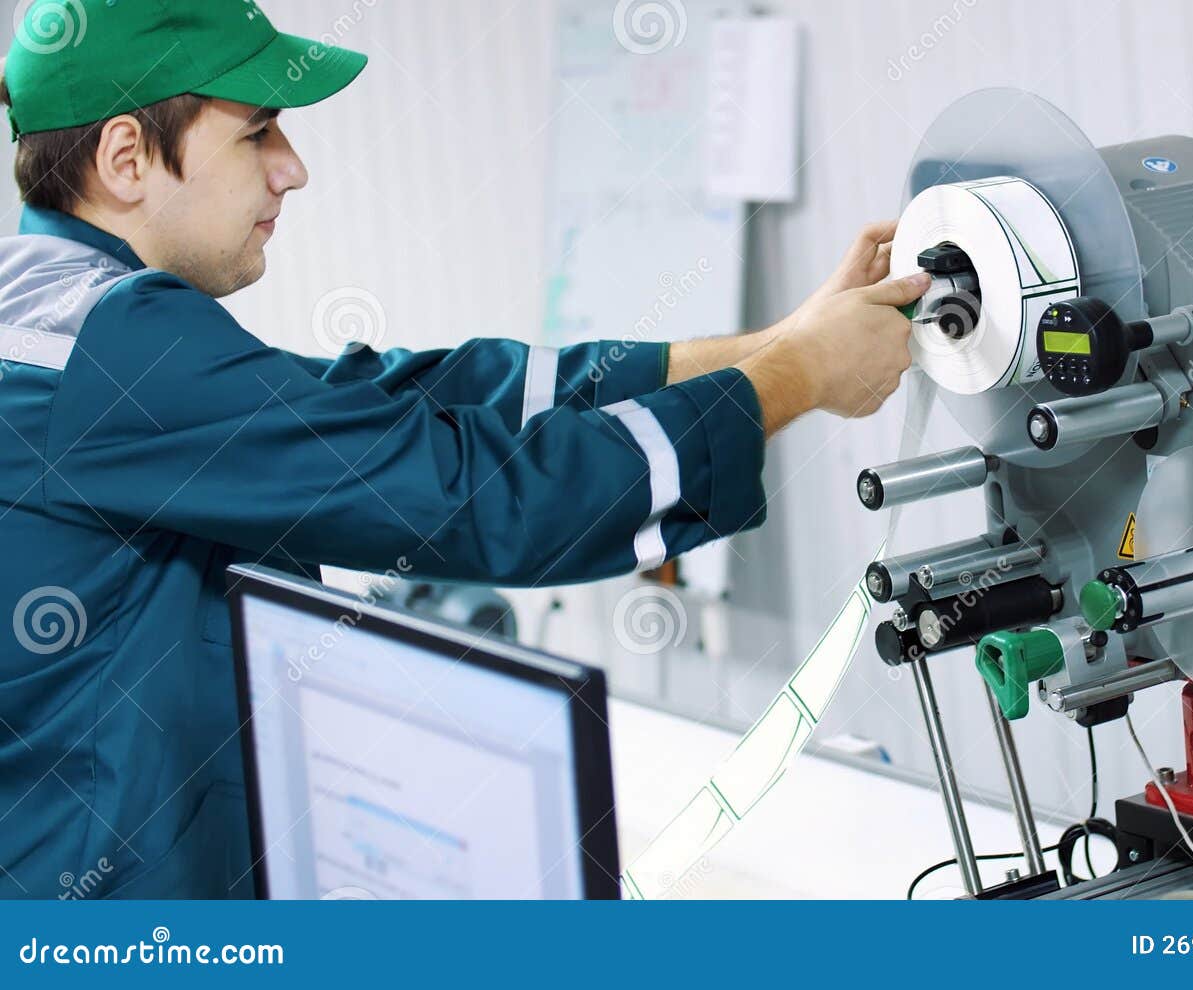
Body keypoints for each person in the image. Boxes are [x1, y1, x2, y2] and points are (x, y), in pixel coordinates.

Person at [0, 0, 926, 898]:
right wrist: (797, 380)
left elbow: (389, 401)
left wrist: (777, 342)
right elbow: (487, 501)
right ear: (126, 157)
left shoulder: (52, 318)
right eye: (258, 133)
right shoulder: (117, 346)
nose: (292, 169)